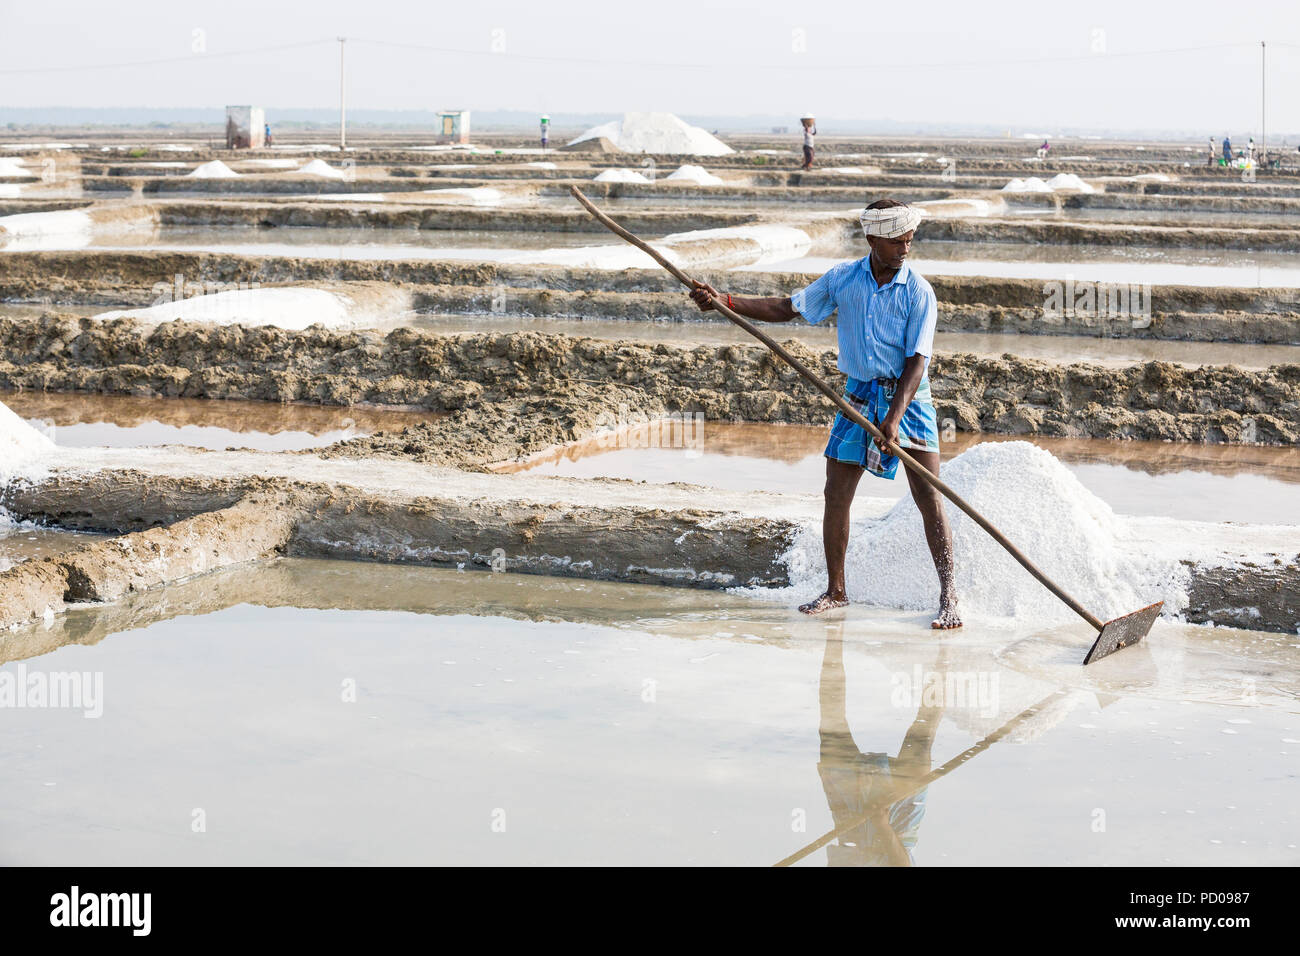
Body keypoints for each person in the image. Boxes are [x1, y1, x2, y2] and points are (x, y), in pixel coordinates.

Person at [688, 198, 960, 628]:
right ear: (873, 239)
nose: (905, 249)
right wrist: (725, 300)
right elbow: (787, 307)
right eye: (896, 242)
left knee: (929, 497)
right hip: (857, 396)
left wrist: (892, 417)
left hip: (908, 400)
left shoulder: (919, 292)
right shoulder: (843, 279)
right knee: (836, 494)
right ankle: (837, 591)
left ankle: (949, 597)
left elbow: (917, 362)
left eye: (909, 240)